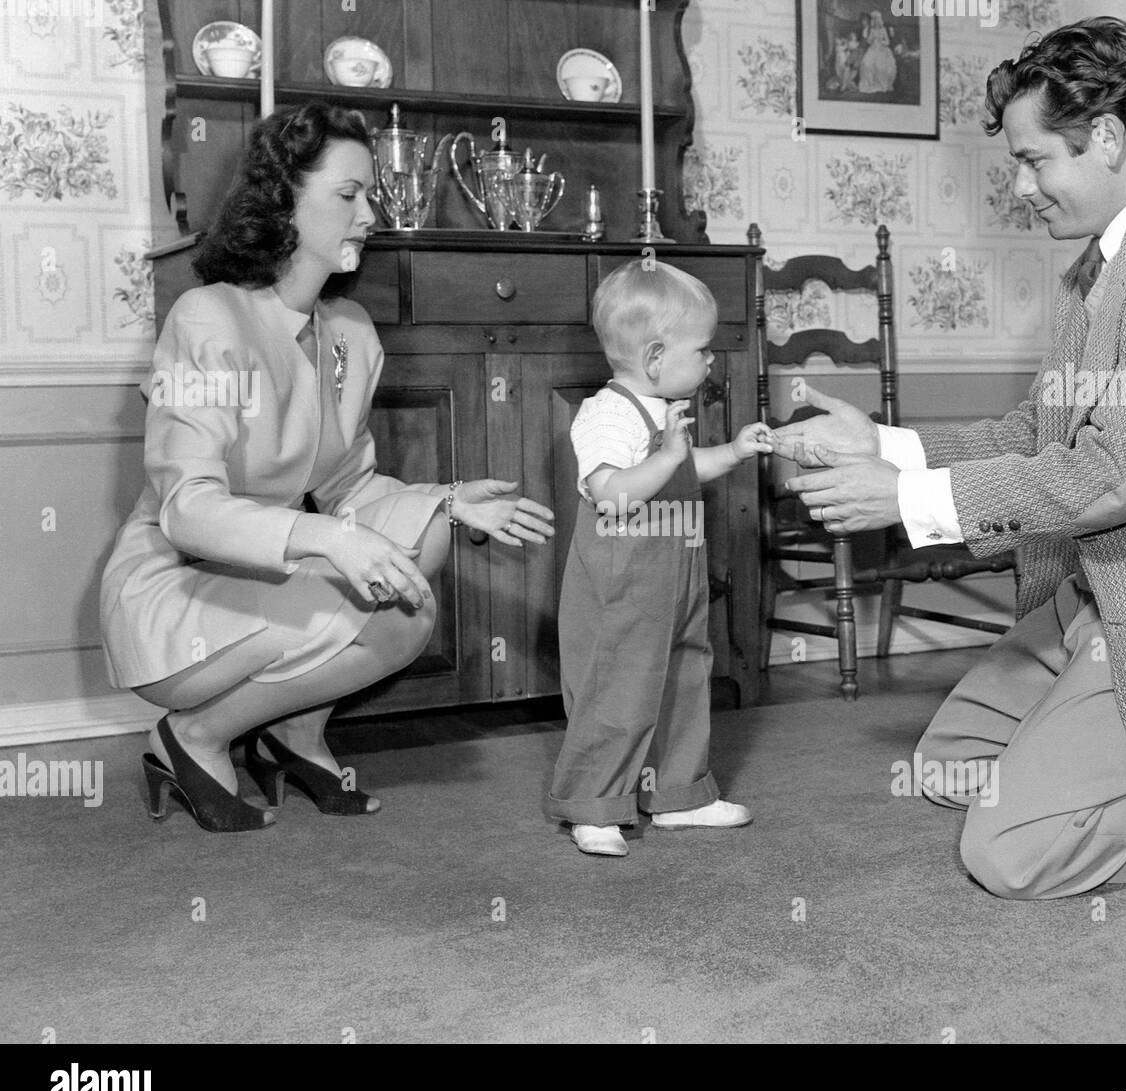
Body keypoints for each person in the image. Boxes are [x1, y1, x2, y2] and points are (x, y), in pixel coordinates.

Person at [775, 17, 1126, 898]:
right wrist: (884, 447)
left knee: (1010, 851)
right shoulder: (1103, 263)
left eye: (1033, 161)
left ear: (1103, 138)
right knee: (950, 766)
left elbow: (1111, 472)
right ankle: (1100, 747)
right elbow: (1040, 436)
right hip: (1094, 589)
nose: (1021, 187)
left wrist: (908, 502)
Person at [100, 103, 555, 833]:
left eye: (368, 194)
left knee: (412, 588)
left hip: (262, 583)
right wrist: (328, 540)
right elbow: (187, 507)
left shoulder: (350, 330)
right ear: (283, 202)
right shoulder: (206, 317)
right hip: (175, 584)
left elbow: (347, 487)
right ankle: (191, 735)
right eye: (348, 196)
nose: (368, 214)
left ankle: (293, 733)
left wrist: (449, 498)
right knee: (356, 592)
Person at [547, 262, 773, 856]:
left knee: (683, 677)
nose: (710, 361)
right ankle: (593, 804)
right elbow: (611, 493)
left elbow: (685, 471)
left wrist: (732, 451)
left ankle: (680, 794)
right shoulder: (608, 414)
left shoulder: (660, 414)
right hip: (621, 584)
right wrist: (671, 454)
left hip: (679, 576)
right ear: (653, 356)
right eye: (701, 350)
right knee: (618, 687)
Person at [858, 10, 896, 94]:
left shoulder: (883, 30)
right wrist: (869, 38)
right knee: (866, 63)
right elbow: (868, 41)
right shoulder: (871, 30)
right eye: (873, 20)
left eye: (876, 19)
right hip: (872, 49)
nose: (875, 21)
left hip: (882, 50)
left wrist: (881, 42)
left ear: (879, 20)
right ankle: (870, 83)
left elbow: (887, 42)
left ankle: (881, 84)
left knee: (880, 65)